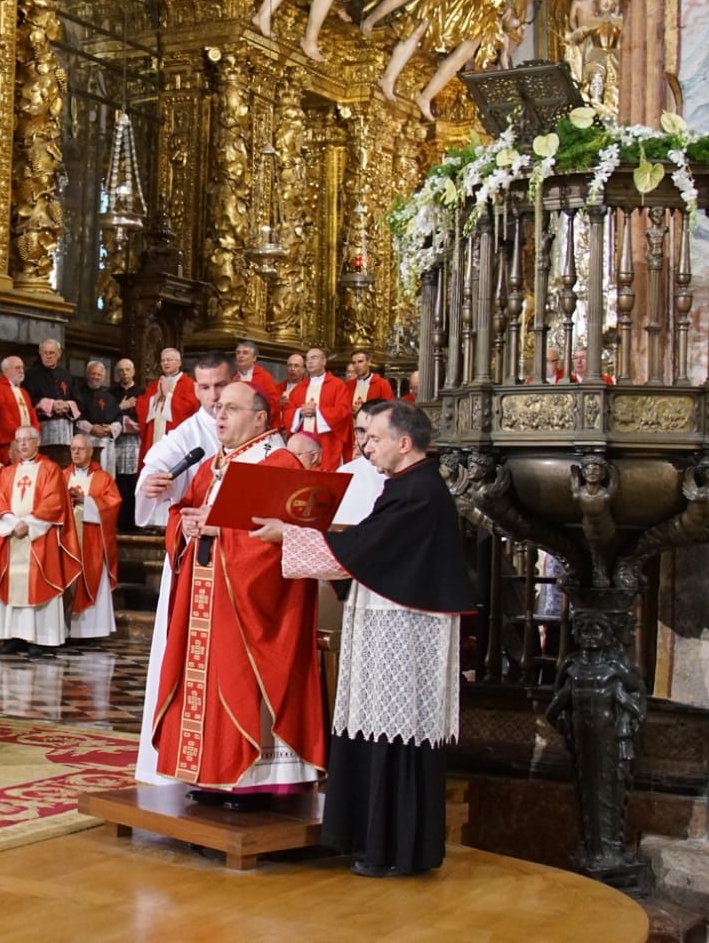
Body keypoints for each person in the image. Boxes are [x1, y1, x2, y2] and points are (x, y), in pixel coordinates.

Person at [254, 399, 476, 877]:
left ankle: (392, 850)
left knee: (395, 736)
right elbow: (368, 544)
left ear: (404, 441)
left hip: (404, 633)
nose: (365, 446)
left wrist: (288, 535)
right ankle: (372, 843)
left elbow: (365, 549)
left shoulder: (418, 491)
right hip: (388, 623)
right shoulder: (406, 486)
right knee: (376, 731)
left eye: (373, 438)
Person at [152, 381, 324, 804]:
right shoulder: (213, 464)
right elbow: (184, 514)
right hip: (206, 599)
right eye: (217, 408)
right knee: (205, 680)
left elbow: (290, 540)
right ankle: (210, 774)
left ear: (261, 417)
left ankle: (255, 779)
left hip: (251, 606)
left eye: (231, 407)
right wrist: (187, 526)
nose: (220, 415)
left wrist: (223, 531)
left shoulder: (279, 463)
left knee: (240, 677)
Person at [132, 351, 231, 783]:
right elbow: (157, 469)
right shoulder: (187, 435)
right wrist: (153, 485)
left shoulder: (258, 431)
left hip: (241, 565)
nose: (213, 397)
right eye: (205, 388)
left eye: (220, 386)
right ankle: (175, 758)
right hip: (195, 562)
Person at [0, 426, 76, 657]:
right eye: (19, 441)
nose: (23, 445)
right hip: (12, 538)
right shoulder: (7, 472)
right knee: (10, 584)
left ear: (37, 442)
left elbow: (54, 502)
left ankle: (40, 638)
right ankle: (13, 636)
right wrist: (10, 524)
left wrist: (28, 523)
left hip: (38, 537)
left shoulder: (50, 469)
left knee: (38, 582)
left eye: (27, 440)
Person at [64, 433, 122, 640]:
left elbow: (113, 505)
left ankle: (91, 631)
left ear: (90, 451)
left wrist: (85, 501)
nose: (76, 452)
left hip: (92, 541)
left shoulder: (103, 478)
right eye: (73, 449)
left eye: (80, 449)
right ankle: (65, 630)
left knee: (93, 578)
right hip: (67, 540)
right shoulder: (62, 476)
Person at [288, 346, 353, 470]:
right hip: (303, 446)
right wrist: (299, 413)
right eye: (307, 360)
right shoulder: (299, 389)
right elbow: (287, 412)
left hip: (327, 442)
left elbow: (344, 411)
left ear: (324, 361)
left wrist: (317, 412)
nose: (310, 362)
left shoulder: (337, 385)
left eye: (314, 358)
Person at [25, 339, 82, 461]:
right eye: (45, 353)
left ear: (59, 354)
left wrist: (68, 405)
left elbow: (79, 401)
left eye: (52, 353)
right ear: (40, 353)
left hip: (65, 430)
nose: (48, 356)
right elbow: (26, 401)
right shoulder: (30, 375)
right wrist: (50, 405)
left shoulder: (67, 376)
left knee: (64, 462)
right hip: (42, 427)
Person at [138, 347, 197, 460]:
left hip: (176, 436)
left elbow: (190, 407)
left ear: (179, 362)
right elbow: (141, 406)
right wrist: (156, 396)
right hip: (154, 436)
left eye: (169, 360)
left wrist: (168, 395)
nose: (165, 363)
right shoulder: (155, 384)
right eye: (163, 360)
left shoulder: (188, 384)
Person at [0, 356, 38, 463]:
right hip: (9, 441)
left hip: (25, 441)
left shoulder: (24, 392)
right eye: (17, 368)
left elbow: (32, 414)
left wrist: (34, 432)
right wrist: (21, 437)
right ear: (6, 371)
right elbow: (3, 417)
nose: (21, 371)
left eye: (22, 368)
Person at [111, 358, 144, 527]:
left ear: (133, 372)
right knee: (118, 480)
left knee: (133, 480)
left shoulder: (141, 392)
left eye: (127, 370)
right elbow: (106, 414)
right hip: (116, 443)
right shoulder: (111, 393)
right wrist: (120, 407)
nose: (124, 373)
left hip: (135, 442)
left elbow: (145, 416)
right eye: (121, 370)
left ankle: (133, 522)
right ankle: (119, 521)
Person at [75, 359, 123, 472]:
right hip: (87, 440)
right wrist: (91, 428)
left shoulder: (110, 397)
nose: (96, 377)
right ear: (87, 374)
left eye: (99, 374)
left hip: (106, 443)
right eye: (93, 373)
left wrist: (110, 429)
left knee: (106, 475)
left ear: (103, 377)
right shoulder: (78, 394)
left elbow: (118, 417)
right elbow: (75, 416)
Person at [233, 339, 282, 409]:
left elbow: (274, 402)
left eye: (245, 353)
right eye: (238, 353)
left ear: (254, 358)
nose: (240, 356)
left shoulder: (265, 377)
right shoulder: (231, 375)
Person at [277, 352, 306, 429]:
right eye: (290, 365)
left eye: (296, 366)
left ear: (303, 370)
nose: (292, 369)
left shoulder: (308, 389)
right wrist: (278, 404)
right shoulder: (277, 388)